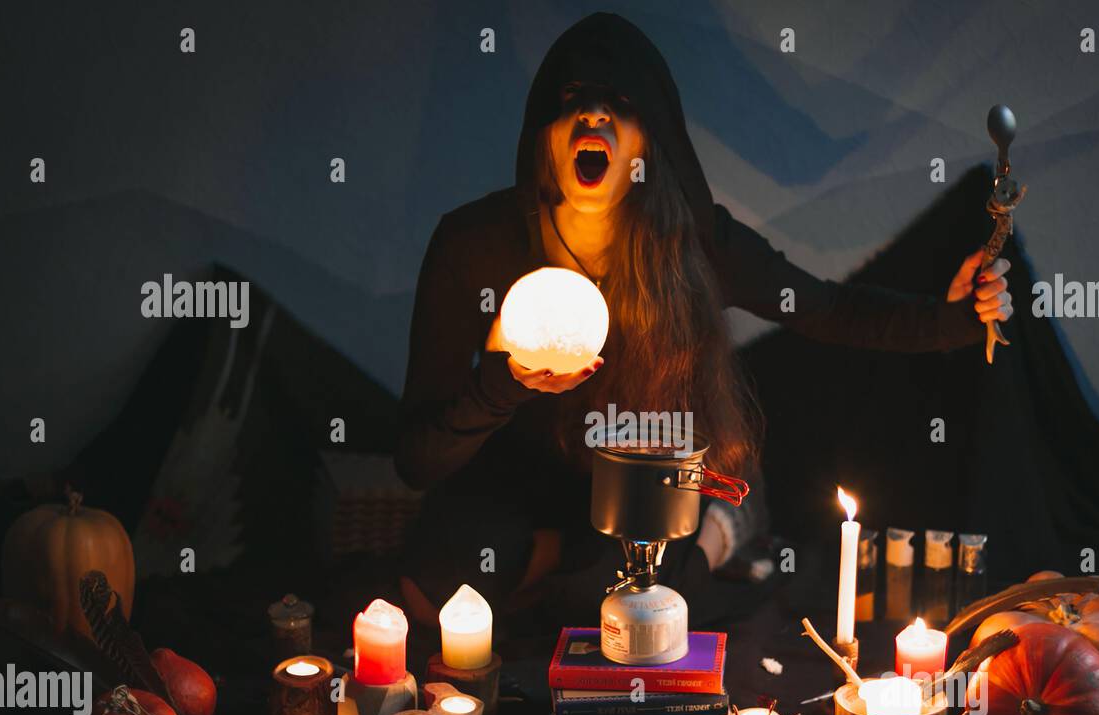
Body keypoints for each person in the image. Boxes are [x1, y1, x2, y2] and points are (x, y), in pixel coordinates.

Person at [395, 13, 1011, 627]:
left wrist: (952, 318)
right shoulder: (474, 245)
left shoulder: (694, 242)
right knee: (431, 592)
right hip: (521, 478)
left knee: (619, 607)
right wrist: (503, 383)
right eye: (572, 98)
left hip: (644, 474)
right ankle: (563, 558)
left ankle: (724, 524)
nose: (594, 115)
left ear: (651, 140)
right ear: (540, 132)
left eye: (621, 102)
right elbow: (417, 461)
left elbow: (829, 308)